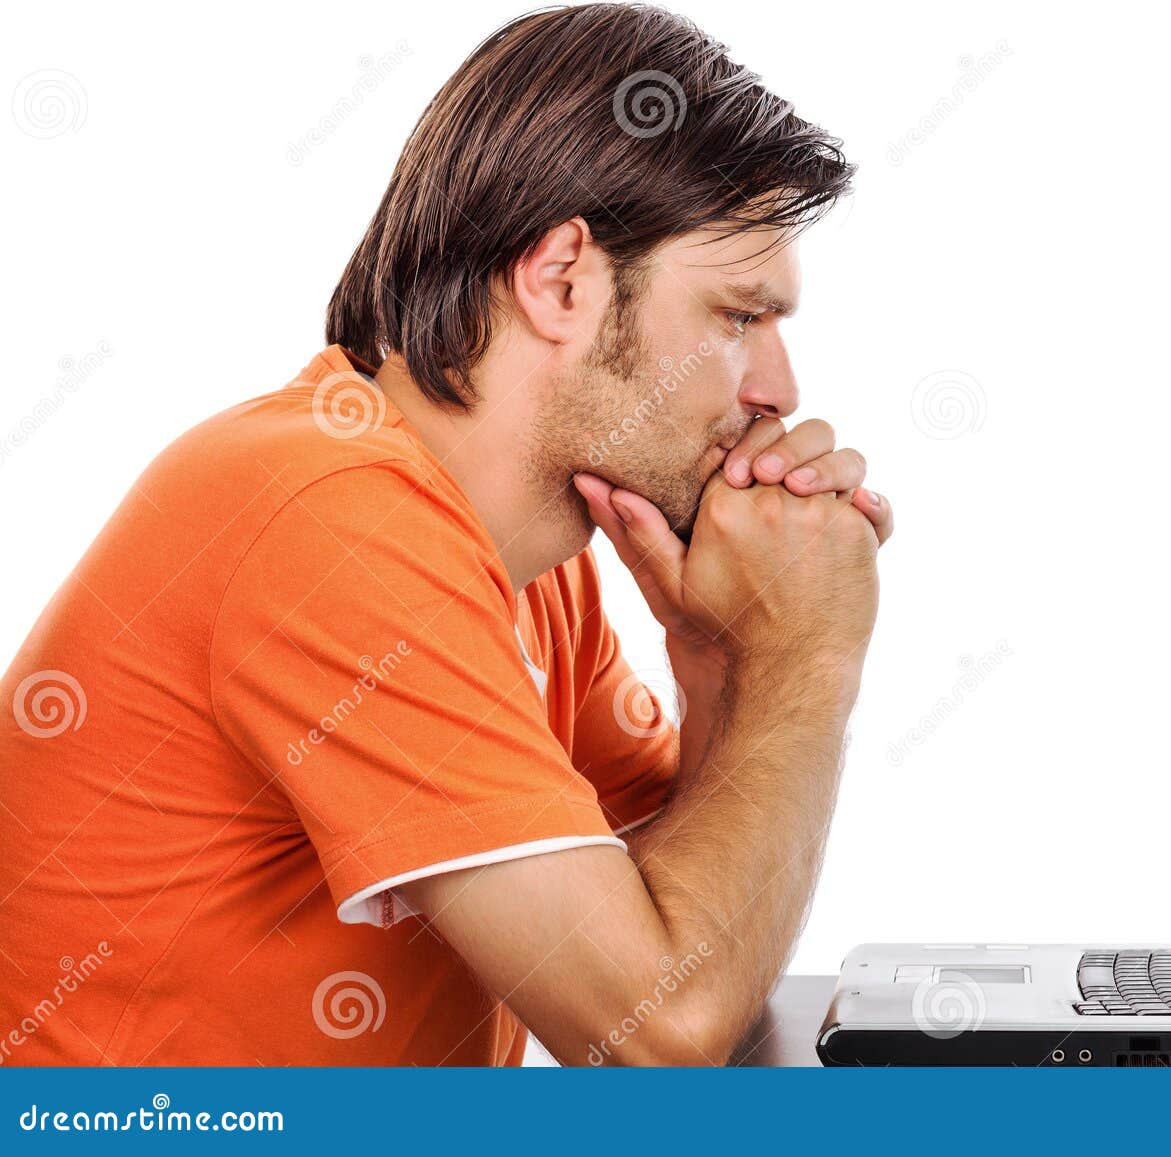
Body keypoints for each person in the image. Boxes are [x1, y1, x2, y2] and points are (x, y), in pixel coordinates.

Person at [0, 3, 890, 1066]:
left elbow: (692, 904)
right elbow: (656, 1028)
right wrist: (811, 649)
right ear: (563, 281)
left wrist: (720, 658)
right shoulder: (325, 510)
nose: (777, 390)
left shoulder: (526, 561)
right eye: (738, 317)